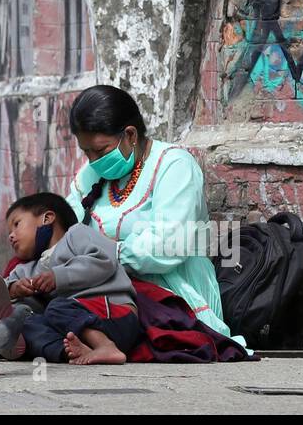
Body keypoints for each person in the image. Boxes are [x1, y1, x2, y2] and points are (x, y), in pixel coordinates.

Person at [67, 84, 244, 345]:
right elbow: (67, 228)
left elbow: (167, 245)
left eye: (101, 151)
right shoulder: (91, 174)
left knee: (84, 317)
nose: (93, 161)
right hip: (103, 285)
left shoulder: (174, 165)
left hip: (169, 290)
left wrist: (104, 255)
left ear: (130, 135)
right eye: (87, 152)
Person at [3, 192, 141, 364]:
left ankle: (105, 346)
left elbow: (104, 261)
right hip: (74, 331)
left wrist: (58, 277)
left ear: (47, 218)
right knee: (23, 322)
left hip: (115, 314)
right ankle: (69, 352)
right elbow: (2, 287)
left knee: (57, 308)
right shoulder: (28, 268)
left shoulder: (77, 235)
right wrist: (14, 289)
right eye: (9, 232)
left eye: (17, 224)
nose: (11, 236)